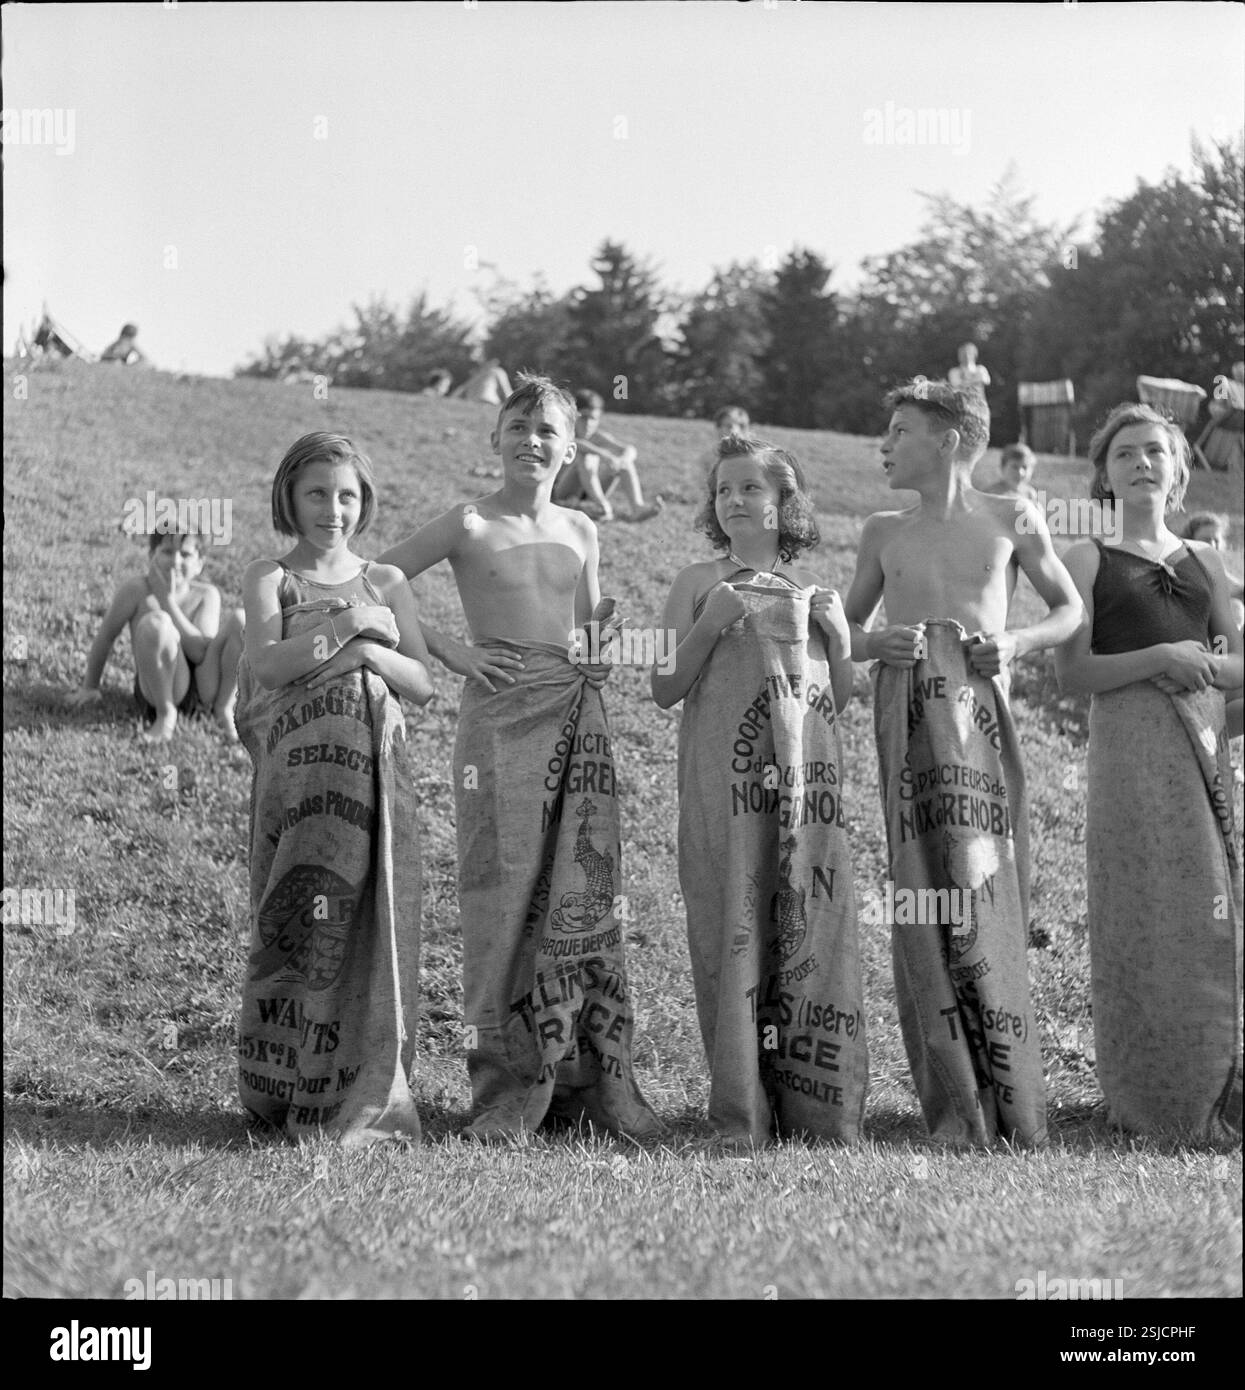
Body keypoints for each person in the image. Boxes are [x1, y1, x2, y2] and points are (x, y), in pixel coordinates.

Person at [379, 376, 664, 1143]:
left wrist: (599, 648)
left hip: (575, 712)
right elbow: (380, 577)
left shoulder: (581, 529)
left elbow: (586, 623)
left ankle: (583, 1083)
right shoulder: (468, 522)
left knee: (580, 891)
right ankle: (505, 1090)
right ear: (495, 437)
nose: (531, 441)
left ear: (571, 448)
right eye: (518, 426)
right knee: (500, 900)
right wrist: (447, 649)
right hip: (500, 717)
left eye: (547, 431)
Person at [842, 379, 1082, 1149]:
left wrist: (1014, 643)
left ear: (946, 441)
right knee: (918, 899)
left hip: (983, 732)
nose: (884, 445)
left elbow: (1066, 608)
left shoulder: (1012, 516)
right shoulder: (883, 531)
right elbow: (841, 632)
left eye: (898, 430)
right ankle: (949, 1102)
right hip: (906, 730)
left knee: (986, 893)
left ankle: (1012, 1093)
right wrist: (877, 644)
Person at [651, 435, 867, 1149]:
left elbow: (842, 699)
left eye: (750, 487)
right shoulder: (694, 582)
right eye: (723, 490)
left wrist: (837, 639)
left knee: (802, 931)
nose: (735, 499)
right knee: (727, 929)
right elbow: (661, 688)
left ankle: (812, 1107)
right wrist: (710, 626)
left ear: (783, 504)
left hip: (803, 796)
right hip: (722, 792)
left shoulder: (811, 594)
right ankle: (739, 1108)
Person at [234, 431, 434, 1145]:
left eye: (347, 495)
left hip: (375, 789)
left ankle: (365, 1088)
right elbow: (265, 665)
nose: (333, 509)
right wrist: (347, 627)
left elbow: (422, 682)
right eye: (317, 493)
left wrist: (373, 651)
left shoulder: (385, 580)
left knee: (372, 923)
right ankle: (279, 1087)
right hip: (297, 794)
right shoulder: (269, 575)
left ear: (365, 502)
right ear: (290, 495)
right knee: (295, 925)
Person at [1054, 404, 1242, 1142]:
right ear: (1102, 472)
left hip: (1199, 745)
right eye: (1125, 453)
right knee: (1138, 908)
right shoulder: (1085, 559)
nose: (1141, 463)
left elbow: (1236, 659)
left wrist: (1197, 665)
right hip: (1127, 750)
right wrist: (1158, 659)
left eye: (1156, 452)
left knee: (1205, 908)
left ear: (1177, 469)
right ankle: (1143, 1097)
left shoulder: (1207, 563)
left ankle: (1212, 1090)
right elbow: (1074, 674)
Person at [67, 529, 245, 742]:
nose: (176, 560)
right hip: (159, 688)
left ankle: (223, 709)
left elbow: (200, 652)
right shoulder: (136, 590)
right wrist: (90, 687)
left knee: (241, 621)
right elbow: (105, 637)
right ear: (152, 557)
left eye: (186, 554)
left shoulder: (206, 595)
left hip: (203, 687)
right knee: (156, 623)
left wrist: (166, 600)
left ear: (200, 564)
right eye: (168, 552)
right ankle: (165, 713)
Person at [551, 389, 662, 522]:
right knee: (585, 457)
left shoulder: (598, 436)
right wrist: (602, 454)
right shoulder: (566, 433)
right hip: (565, 492)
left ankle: (637, 507)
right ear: (573, 416)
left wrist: (623, 460)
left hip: (589, 492)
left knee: (623, 461)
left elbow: (629, 449)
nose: (588, 424)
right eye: (584, 417)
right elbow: (577, 444)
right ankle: (602, 505)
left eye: (593, 418)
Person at [1200, 361, 1244, 472]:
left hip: (1223, 422)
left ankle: (1209, 466)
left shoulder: (1227, 384)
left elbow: (1217, 404)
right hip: (1237, 426)